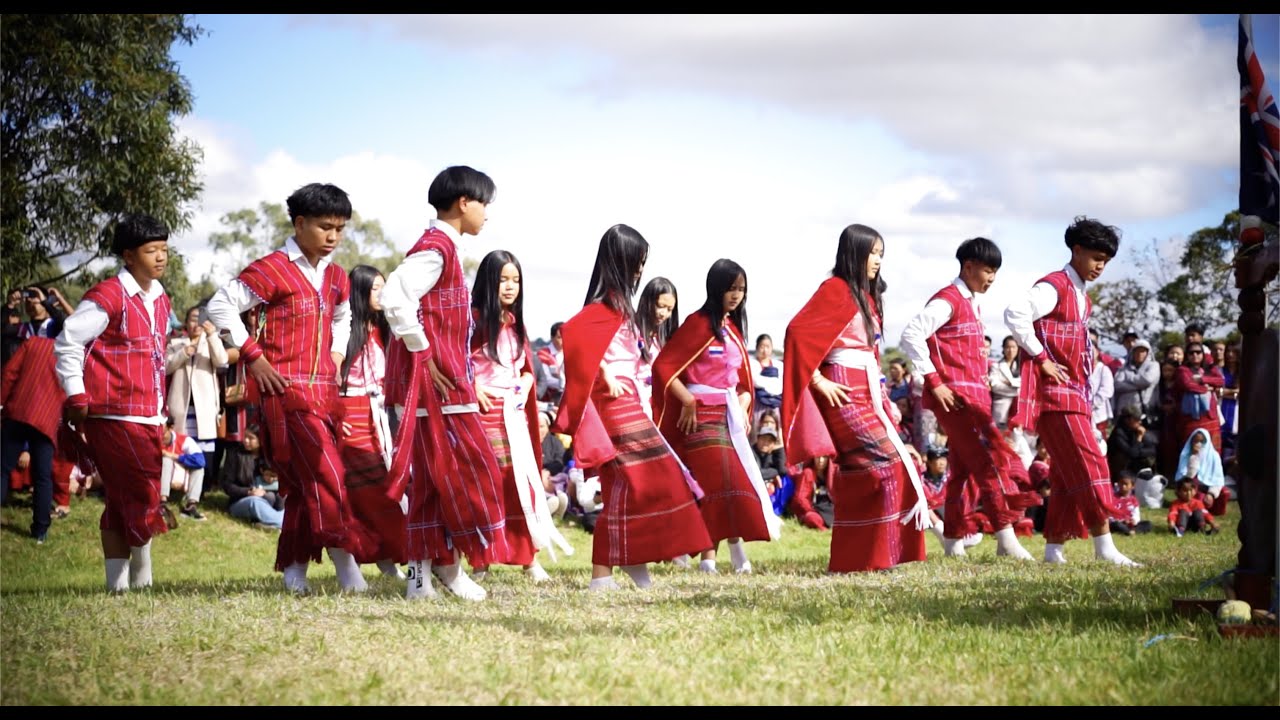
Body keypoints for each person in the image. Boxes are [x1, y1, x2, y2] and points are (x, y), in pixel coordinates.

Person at [206, 183, 372, 594]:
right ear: (299, 224)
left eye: (340, 228)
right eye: (325, 227)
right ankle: (348, 568)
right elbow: (220, 305)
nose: (333, 236)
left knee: (301, 484)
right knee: (327, 472)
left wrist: (336, 355)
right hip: (285, 391)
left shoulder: (336, 275)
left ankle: (294, 570)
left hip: (325, 394)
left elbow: (343, 318)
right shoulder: (272, 268)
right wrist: (253, 356)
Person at [552, 224, 712, 591]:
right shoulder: (603, 306)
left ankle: (617, 568)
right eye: (637, 262)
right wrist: (604, 372)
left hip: (629, 402)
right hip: (615, 405)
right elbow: (573, 335)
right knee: (654, 478)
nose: (640, 269)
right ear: (620, 261)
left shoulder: (622, 306)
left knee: (630, 486)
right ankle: (608, 571)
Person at [380, 166, 506, 601]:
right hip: (434, 388)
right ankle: (436, 573)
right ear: (464, 202)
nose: (487, 212)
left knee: (438, 482)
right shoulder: (436, 248)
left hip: (445, 387)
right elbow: (394, 296)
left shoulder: (445, 247)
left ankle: (431, 573)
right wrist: (423, 349)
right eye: (484, 203)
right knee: (461, 476)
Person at [782, 223, 928, 573]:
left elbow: (871, 354)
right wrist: (818, 381)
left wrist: (884, 399)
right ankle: (881, 558)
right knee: (888, 463)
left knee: (860, 473)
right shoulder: (835, 289)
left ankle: (854, 560)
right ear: (854, 253)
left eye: (881, 254)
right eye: (872, 252)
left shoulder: (866, 297)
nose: (877, 260)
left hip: (868, 389)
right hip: (842, 390)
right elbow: (796, 332)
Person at [1003, 216, 1138, 566]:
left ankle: (1053, 551)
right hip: (1055, 396)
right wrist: (1042, 358)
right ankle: (1105, 548)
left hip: (1074, 394)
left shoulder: (1082, 297)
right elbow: (1015, 313)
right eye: (1096, 258)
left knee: (1064, 475)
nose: (1100, 267)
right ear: (1076, 250)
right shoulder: (1054, 286)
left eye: (1106, 261)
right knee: (1091, 464)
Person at [53, 213, 173, 592]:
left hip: (149, 414)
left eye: (164, 249)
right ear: (128, 255)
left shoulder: (161, 298)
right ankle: (140, 581)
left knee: (126, 498)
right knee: (142, 493)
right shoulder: (108, 295)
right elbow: (68, 341)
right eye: (151, 250)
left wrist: (162, 413)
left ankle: (121, 588)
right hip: (111, 413)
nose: (160, 257)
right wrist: (76, 393)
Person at [899, 237, 1037, 559]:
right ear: (969, 267)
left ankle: (953, 541)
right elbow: (911, 334)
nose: (992, 278)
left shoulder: (972, 303)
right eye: (988, 271)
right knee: (989, 464)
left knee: (961, 471)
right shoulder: (948, 300)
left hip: (974, 400)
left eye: (995, 272)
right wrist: (935, 381)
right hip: (957, 400)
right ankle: (1006, 539)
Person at [653, 259, 780, 574]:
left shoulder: (733, 330)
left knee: (728, 486)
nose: (736, 295)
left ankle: (721, 556)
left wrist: (745, 401)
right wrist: (687, 400)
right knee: (718, 485)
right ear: (715, 288)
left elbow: (742, 379)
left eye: (741, 289)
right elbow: (664, 367)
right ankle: (716, 557)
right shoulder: (697, 324)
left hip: (729, 416)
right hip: (699, 418)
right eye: (730, 288)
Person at [469, 250, 572, 583]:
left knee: (521, 484)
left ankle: (528, 559)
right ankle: (482, 561)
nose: (510, 286)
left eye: (515, 280)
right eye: (503, 280)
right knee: (487, 486)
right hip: (485, 415)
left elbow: (525, 369)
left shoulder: (516, 324)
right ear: (489, 281)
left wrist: (526, 383)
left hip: (513, 415)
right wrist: (472, 386)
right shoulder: (472, 320)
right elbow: (457, 362)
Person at [337, 265, 407, 581]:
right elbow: (330, 378)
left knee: (386, 490)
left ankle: (389, 558)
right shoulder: (344, 333)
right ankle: (364, 557)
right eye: (375, 288)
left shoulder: (384, 329)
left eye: (383, 287)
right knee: (361, 494)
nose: (382, 293)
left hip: (378, 417)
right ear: (360, 292)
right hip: (350, 416)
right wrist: (335, 417)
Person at [164, 306, 227, 520]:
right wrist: (184, 352)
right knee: (176, 451)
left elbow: (222, 361)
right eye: (192, 319)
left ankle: (194, 498)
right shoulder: (175, 343)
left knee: (202, 456)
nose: (197, 323)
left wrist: (212, 335)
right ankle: (167, 495)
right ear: (185, 322)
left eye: (201, 319)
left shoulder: (211, 341)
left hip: (205, 408)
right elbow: (166, 367)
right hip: (180, 406)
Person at [1, 337, 65, 542]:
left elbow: (9, 372)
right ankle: (40, 530)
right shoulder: (71, 354)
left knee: (2, 469)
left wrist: (1, 402)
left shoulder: (33, 343)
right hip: (46, 419)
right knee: (43, 477)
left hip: (19, 411)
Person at [633, 277, 679, 417]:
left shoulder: (665, 339)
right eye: (660, 306)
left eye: (669, 309)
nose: (664, 313)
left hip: (656, 404)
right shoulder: (631, 330)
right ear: (648, 301)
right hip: (633, 399)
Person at [1175, 427, 1230, 517]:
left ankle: (1213, 510)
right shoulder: (1186, 455)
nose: (1198, 444)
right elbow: (1187, 478)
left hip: (1209, 487)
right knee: (1198, 496)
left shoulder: (1214, 456)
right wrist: (1194, 457)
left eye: (1201, 441)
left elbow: (1218, 479)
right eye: (1196, 441)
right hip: (1193, 486)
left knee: (1225, 493)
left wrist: (1211, 493)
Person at [749, 333, 784, 428]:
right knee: (757, 428)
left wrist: (764, 382)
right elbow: (756, 381)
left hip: (775, 403)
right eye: (762, 347)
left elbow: (781, 385)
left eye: (768, 347)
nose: (765, 350)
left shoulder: (779, 365)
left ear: (772, 348)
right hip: (758, 403)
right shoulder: (752, 364)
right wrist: (773, 383)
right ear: (757, 347)